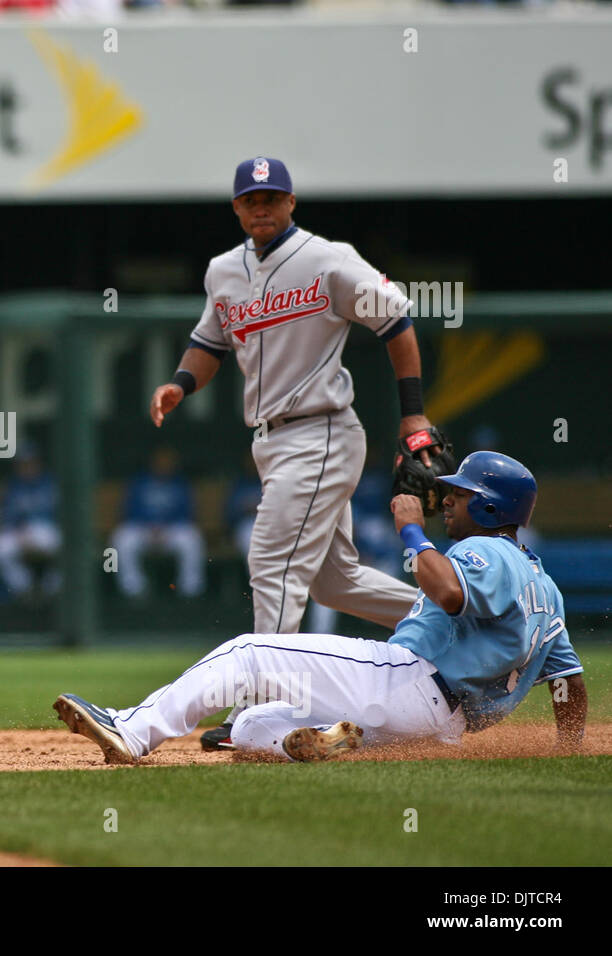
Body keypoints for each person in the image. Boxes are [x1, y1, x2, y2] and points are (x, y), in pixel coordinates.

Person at [152, 157, 440, 749]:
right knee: (337, 583)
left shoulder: (328, 260)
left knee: (272, 564)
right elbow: (209, 342)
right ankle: (455, 616)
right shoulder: (223, 271)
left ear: (290, 202)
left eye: (272, 197)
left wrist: (412, 413)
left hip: (322, 430)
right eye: (251, 199)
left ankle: (259, 708)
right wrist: (181, 383)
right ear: (236, 207)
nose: (261, 207)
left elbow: (395, 320)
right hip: (271, 440)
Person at [54, 452, 587, 764]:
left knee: (247, 654)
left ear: (491, 507)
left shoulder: (486, 550)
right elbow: (569, 683)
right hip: (438, 728)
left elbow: (448, 593)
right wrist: (569, 749)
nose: (447, 499)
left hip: (408, 680)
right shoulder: (547, 591)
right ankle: (320, 744)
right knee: (250, 725)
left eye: (461, 494)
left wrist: (410, 529)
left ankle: (133, 731)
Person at [110, 446, 206, 598]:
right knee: (122, 538)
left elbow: (188, 512)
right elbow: (129, 510)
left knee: (192, 538)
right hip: (143, 529)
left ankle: (190, 589)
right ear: (153, 462)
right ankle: (133, 589)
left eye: (168, 461)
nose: (164, 464)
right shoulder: (139, 481)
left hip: (171, 530)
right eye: (160, 461)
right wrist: (149, 526)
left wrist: (165, 526)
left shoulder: (180, 483)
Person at [0, 447, 61, 598]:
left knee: (65, 548)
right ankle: (25, 588)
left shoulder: (50, 483)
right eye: (23, 464)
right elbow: (1, 514)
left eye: (31, 463)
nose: (27, 467)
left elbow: (61, 513)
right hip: (17, 531)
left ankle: (51, 590)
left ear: (38, 464)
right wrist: (17, 531)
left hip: (46, 529)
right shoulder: (12, 485)